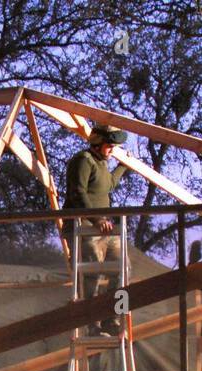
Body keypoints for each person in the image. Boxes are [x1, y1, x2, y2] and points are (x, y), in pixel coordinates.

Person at [65, 124, 130, 335]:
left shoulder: (102, 164)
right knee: (91, 270)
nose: (112, 150)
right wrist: (96, 218)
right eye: (109, 146)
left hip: (103, 227)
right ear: (97, 143)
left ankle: (113, 318)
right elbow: (78, 193)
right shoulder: (83, 161)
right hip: (84, 226)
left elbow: (109, 185)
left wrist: (124, 166)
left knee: (122, 268)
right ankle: (92, 325)